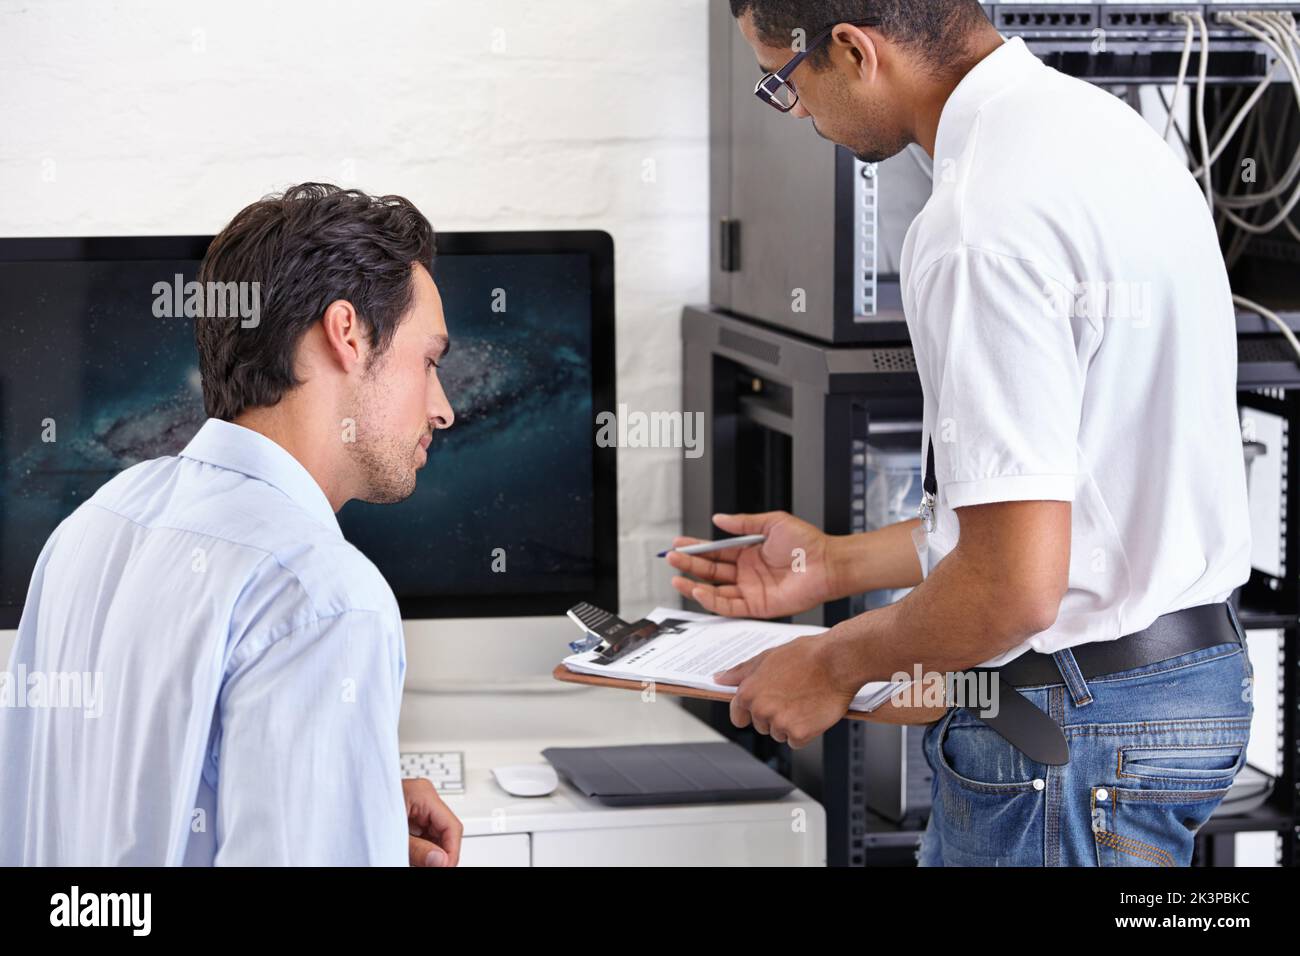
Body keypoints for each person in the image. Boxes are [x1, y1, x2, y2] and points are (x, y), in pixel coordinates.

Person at [670, 1, 1254, 866]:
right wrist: (835, 566)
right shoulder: (1105, 131)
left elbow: (1016, 586)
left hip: (1071, 730)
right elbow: (1067, 509)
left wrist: (830, 664)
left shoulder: (978, 225)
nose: (796, 115)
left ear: (853, 51)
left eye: (783, 82)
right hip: (1178, 687)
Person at [0, 183, 463, 866]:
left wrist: (343, 805)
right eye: (429, 362)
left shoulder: (93, 525)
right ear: (348, 334)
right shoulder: (322, 597)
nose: (444, 408)